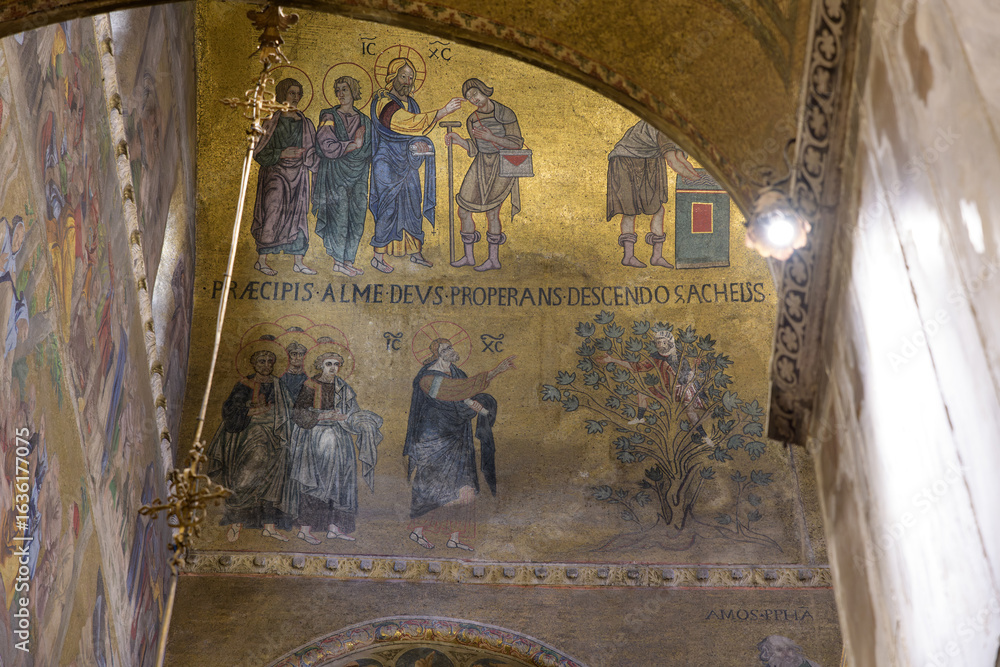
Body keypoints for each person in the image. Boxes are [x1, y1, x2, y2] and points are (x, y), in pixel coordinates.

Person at [404, 338, 515, 550]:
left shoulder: (459, 373)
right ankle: (418, 532)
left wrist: (475, 405)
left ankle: (454, 537)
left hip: (458, 439)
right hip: (434, 440)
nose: (452, 351)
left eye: (451, 347)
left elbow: (463, 397)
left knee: (464, 488)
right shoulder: (427, 379)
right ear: (438, 353)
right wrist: (493, 373)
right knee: (433, 487)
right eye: (446, 349)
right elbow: (454, 391)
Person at [368, 58, 464, 273]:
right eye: (403, 76)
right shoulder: (384, 101)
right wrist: (442, 112)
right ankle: (377, 257)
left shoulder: (412, 103)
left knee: (412, 205)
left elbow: (413, 133)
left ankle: (415, 252)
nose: (407, 81)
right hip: (387, 163)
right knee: (388, 208)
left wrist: (420, 144)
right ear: (392, 77)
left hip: (408, 163)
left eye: (411, 77)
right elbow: (405, 123)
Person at [283, 351, 383, 544]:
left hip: (340, 440)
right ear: (321, 364)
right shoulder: (310, 385)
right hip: (315, 438)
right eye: (329, 363)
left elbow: (352, 413)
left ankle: (334, 528)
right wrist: (325, 416)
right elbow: (298, 413)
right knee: (314, 484)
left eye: (336, 364)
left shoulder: (343, 387)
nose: (332, 368)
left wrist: (361, 422)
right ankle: (305, 530)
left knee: (340, 484)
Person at [206, 341, 293, 542]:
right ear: (254, 364)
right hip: (251, 433)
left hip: (277, 436)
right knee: (247, 473)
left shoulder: (279, 385)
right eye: (261, 361)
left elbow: (289, 411)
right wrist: (255, 410)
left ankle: (269, 526)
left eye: (270, 361)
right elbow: (230, 410)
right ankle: (236, 523)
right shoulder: (244, 384)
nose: (266, 365)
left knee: (275, 480)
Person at [443, 78, 524, 271]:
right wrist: (458, 140)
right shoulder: (472, 119)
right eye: (469, 97)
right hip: (480, 164)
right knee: (463, 209)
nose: (474, 99)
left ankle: (493, 259)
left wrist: (491, 137)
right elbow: (475, 148)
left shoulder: (506, 113)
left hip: (501, 165)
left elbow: (516, 143)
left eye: (475, 94)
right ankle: (469, 257)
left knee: (492, 212)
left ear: (484, 91)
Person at [606, 120, 699, 268]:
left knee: (658, 209)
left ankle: (657, 257)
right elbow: (672, 161)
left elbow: (680, 158)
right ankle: (628, 257)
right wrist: (695, 180)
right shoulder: (665, 125)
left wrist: (698, 178)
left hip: (648, 160)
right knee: (629, 210)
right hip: (625, 160)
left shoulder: (680, 131)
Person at [251, 77, 318, 276]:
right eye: (291, 93)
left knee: (297, 216)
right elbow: (259, 153)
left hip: (299, 175)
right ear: (282, 95)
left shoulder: (305, 123)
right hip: (275, 174)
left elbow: (313, 152)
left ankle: (298, 261)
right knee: (272, 211)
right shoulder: (272, 122)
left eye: (298, 94)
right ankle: (261, 260)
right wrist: (281, 154)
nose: (296, 97)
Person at [313, 76, 372, 277]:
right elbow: (326, 145)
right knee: (339, 217)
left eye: (344, 89)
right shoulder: (328, 115)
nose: (340, 94)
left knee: (357, 217)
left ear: (353, 92)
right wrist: (352, 145)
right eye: (337, 90)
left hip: (359, 177)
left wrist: (352, 149)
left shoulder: (365, 120)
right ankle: (338, 261)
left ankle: (348, 261)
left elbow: (370, 149)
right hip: (335, 176)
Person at [0, 216, 28, 358]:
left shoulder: (13, 266)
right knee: (9, 289)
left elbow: (17, 301)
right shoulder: (3, 241)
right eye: (17, 235)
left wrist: (22, 317)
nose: (18, 241)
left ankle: (5, 376)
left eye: (21, 238)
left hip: (6, 325)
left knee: (12, 341)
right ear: (11, 232)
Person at [757, 635, 821, 667]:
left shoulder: (809, 665)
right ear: (769, 653)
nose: (786, 653)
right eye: (779, 650)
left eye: (789, 649)